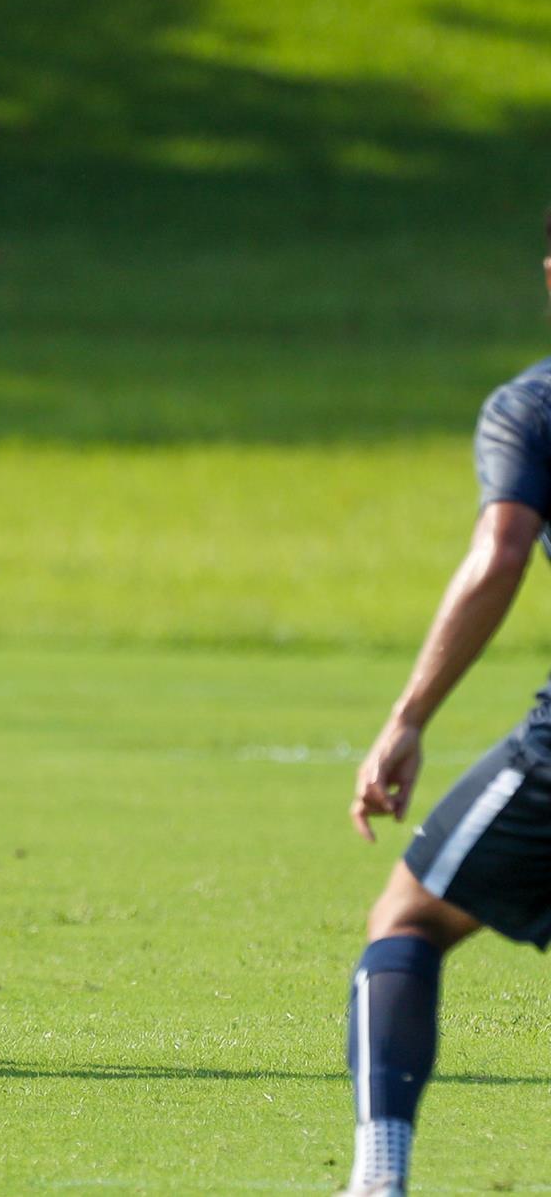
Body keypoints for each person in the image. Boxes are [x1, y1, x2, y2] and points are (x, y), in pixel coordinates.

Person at [339, 234, 551, 1195]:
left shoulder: (532, 406)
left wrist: (409, 715)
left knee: (408, 914)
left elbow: (501, 551)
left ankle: (378, 1178)